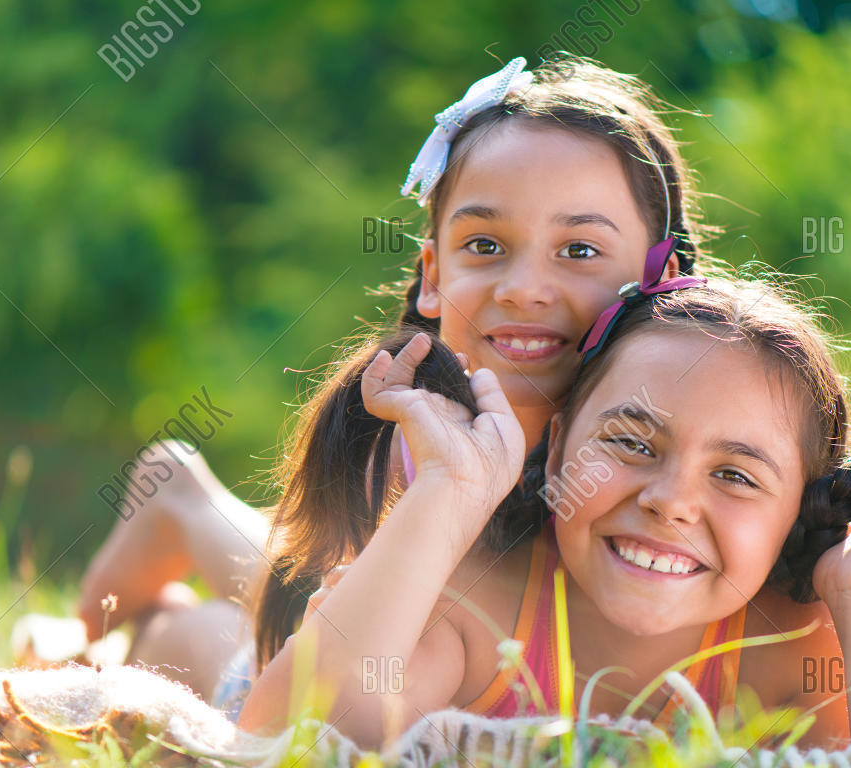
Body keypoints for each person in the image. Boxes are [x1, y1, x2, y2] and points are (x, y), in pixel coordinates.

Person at [238, 267, 851, 746]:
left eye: (737, 476)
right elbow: (280, 744)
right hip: (263, 654)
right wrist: (446, 494)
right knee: (208, 631)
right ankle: (191, 507)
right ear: (559, 442)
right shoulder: (476, 606)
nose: (670, 502)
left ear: (800, 510)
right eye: (632, 442)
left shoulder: (792, 653)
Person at [73, 55, 711, 700]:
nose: (523, 289)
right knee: (196, 642)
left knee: (227, 604)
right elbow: (328, 675)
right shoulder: (415, 437)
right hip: (316, 672)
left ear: (663, 277)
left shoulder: (705, 435)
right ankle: (127, 576)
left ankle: (181, 497)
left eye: (579, 250)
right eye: (485, 245)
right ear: (434, 276)